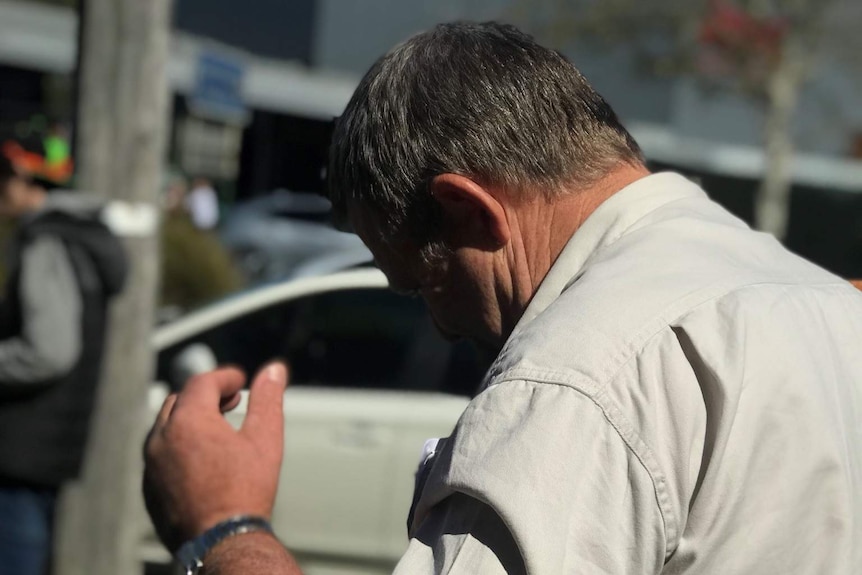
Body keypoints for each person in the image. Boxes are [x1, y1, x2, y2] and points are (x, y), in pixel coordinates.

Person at [143, 22, 862, 574]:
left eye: (424, 279)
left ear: (467, 211)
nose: (439, 323)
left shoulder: (573, 387)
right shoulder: (823, 303)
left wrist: (224, 526)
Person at [0, 152, 127, 574]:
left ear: (22, 180)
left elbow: (49, 350)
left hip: (22, 443)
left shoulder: (47, 241)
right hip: (51, 439)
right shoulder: (81, 235)